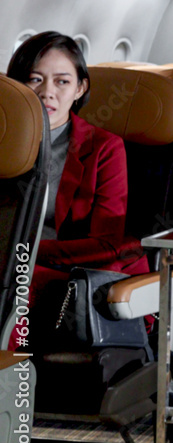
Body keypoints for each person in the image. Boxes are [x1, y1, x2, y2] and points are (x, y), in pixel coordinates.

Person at [6, 32, 147, 324]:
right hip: (7, 265)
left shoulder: (103, 148)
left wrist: (22, 252)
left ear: (81, 88)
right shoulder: (4, 140)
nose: (47, 92)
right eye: (34, 79)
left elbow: (105, 244)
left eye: (62, 81)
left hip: (61, 272)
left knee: (17, 289)